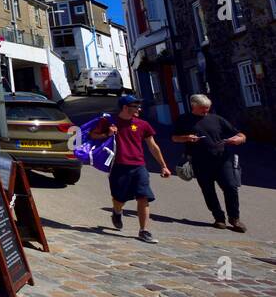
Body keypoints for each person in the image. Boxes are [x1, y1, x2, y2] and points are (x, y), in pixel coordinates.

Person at [89, 95, 171, 244]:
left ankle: (144, 231)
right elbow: (93, 134)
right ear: (125, 108)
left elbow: (153, 146)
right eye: (135, 106)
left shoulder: (143, 124)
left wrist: (163, 166)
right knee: (119, 199)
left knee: (144, 196)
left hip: (139, 165)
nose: (139, 109)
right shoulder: (109, 122)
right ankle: (117, 212)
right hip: (118, 166)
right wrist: (107, 134)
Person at [172, 94, 247, 232]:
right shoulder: (183, 120)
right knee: (208, 190)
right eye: (203, 109)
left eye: (208, 108)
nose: (206, 111)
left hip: (222, 159)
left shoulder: (216, 119)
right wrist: (186, 138)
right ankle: (219, 218)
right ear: (193, 106)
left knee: (231, 187)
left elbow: (240, 134)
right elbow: (175, 138)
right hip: (200, 161)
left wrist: (239, 139)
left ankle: (234, 218)